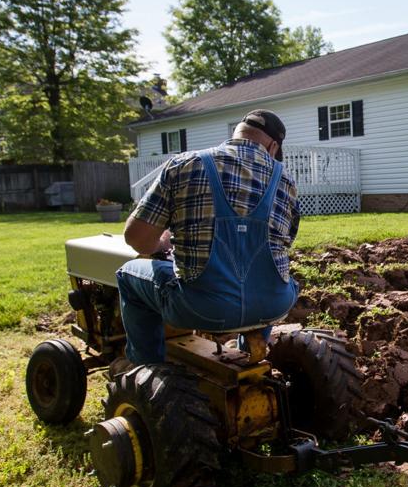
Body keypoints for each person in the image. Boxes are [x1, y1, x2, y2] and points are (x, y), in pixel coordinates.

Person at [115, 109, 300, 366]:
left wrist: (161, 244)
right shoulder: (287, 180)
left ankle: (146, 367)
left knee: (126, 274)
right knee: (272, 279)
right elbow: (284, 242)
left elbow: (137, 239)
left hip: (200, 308)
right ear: (273, 146)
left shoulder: (185, 164)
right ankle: (248, 351)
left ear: (236, 134)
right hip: (274, 305)